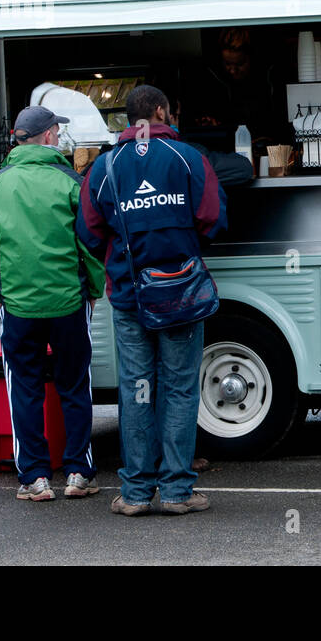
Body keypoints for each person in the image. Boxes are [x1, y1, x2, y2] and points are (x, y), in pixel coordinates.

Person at [77, 85, 229, 516]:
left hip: (128, 297)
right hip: (181, 294)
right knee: (180, 389)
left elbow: (87, 232)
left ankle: (136, 493)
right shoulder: (188, 158)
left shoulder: (105, 167)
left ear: (130, 119)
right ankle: (178, 492)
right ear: (162, 111)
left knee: (137, 390)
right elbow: (214, 218)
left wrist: (123, 259)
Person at [0, 105, 107, 502]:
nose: (59, 137)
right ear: (48, 136)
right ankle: (78, 473)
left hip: (18, 306)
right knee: (74, 385)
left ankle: (34, 477)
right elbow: (89, 244)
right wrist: (94, 288)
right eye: (57, 132)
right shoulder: (70, 181)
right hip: (68, 302)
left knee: (25, 388)